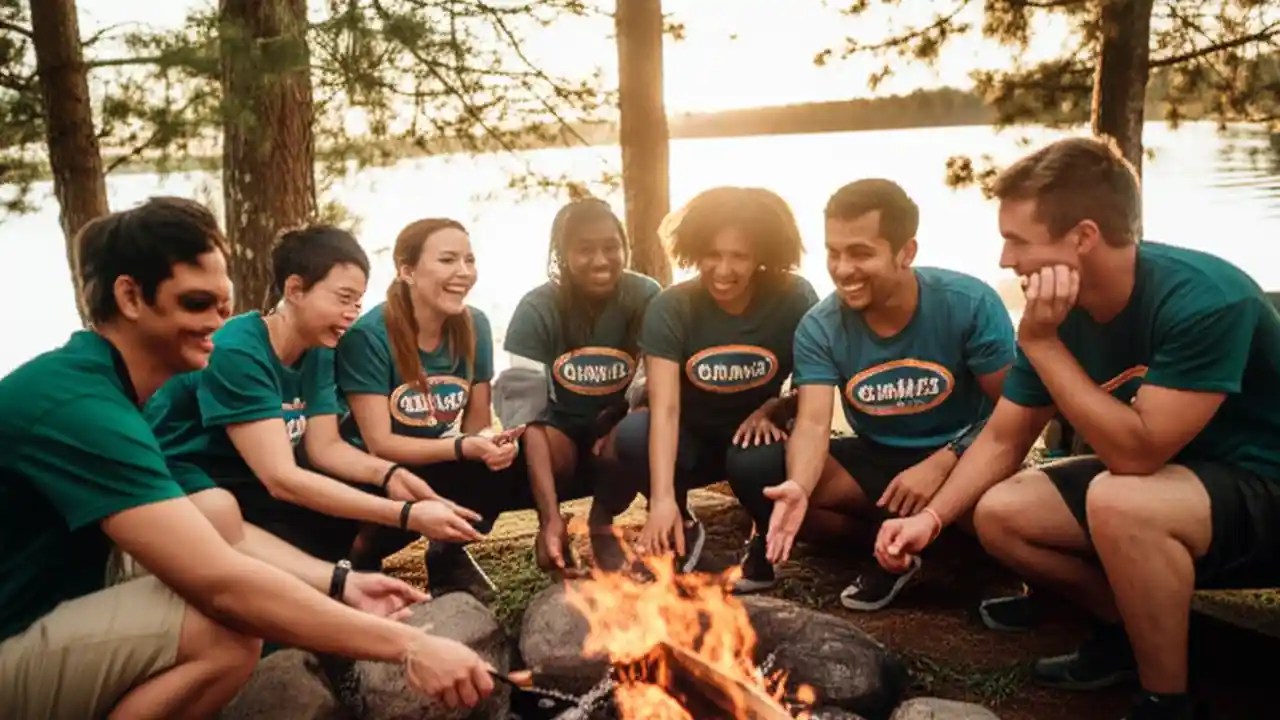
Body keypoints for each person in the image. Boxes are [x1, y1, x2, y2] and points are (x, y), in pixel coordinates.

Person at [0, 198, 494, 720]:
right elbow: (224, 584)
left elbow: (227, 539)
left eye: (223, 303)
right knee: (223, 633)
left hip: (53, 607)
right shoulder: (81, 407)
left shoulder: (105, 387)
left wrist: (341, 582)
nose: (219, 322)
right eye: (196, 303)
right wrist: (409, 645)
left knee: (216, 520)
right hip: (13, 638)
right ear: (130, 296)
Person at [874, 136, 1280, 720]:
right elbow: (1004, 438)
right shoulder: (1054, 315)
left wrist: (1042, 344)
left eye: (1017, 240)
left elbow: (1138, 455)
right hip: (1175, 481)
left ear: (1083, 237)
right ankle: (1127, 631)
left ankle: (1168, 700)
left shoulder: (1202, 300)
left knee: (1121, 499)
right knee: (1000, 512)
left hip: (1260, 483)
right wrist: (930, 519)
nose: (1005, 261)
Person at [727, 179, 1015, 607]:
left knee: (1003, 507)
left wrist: (946, 458)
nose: (842, 269)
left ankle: (953, 548)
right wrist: (799, 487)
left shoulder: (969, 303)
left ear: (906, 252)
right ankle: (896, 547)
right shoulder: (820, 326)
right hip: (877, 461)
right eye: (833, 252)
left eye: (861, 253)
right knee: (757, 469)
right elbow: (812, 421)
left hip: (963, 458)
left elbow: (1015, 412)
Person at [146, 225, 483, 570]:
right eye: (343, 298)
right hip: (185, 482)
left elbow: (325, 447)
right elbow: (281, 478)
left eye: (358, 301)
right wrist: (407, 515)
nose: (353, 312)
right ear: (295, 289)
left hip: (250, 483)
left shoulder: (319, 345)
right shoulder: (238, 351)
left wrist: (390, 474)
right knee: (304, 538)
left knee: (340, 516)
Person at [598, 186, 818, 572]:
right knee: (633, 433)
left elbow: (815, 387)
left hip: (753, 437)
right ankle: (681, 524)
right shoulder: (671, 308)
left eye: (739, 256)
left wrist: (774, 407)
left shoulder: (794, 298)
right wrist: (662, 499)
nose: (723, 269)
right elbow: (664, 409)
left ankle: (764, 540)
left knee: (756, 459)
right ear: (695, 249)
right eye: (713, 254)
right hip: (689, 439)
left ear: (762, 256)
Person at [337, 218, 531, 601]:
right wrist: (463, 447)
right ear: (406, 270)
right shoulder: (369, 337)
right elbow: (379, 444)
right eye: (447, 260)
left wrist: (491, 444)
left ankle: (448, 557)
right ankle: (359, 557)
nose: (464, 272)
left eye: (469, 260)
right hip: (368, 473)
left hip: (430, 458)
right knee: (412, 474)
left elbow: (476, 423)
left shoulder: (474, 324)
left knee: (506, 463)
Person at [498, 196, 661, 576]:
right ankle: (554, 528)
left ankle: (603, 524)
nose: (601, 260)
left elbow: (658, 384)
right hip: (560, 437)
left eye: (611, 247)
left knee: (644, 426)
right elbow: (526, 416)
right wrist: (548, 518)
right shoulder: (536, 309)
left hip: (618, 425)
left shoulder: (646, 296)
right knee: (528, 435)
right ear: (562, 254)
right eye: (585, 249)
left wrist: (621, 423)